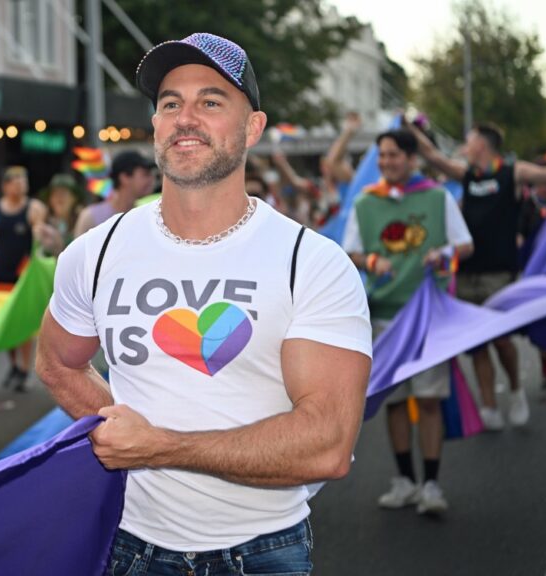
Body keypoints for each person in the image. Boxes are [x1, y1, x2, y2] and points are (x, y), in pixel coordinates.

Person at [36, 32, 372, 574]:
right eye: (171, 103)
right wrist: (119, 431)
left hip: (264, 551)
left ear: (252, 127)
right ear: (156, 126)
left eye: (211, 102)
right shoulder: (94, 253)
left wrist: (158, 446)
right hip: (128, 545)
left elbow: (328, 444)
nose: (185, 117)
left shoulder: (310, 261)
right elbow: (55, 362)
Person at [343, 129, 473, 515]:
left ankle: (431, 485)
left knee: (429, 400)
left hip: (427, 317)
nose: (386, 162)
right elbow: (350, 251)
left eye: (393, 155)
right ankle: (403, 481)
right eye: (382, 155)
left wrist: (443, 253)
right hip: (383, 317)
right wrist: (370, 262)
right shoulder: (366, 202)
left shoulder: (437, 197)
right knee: (395, 402)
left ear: (412, 158)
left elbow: (465, 245)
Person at [407, 121, 546, 429]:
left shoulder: (514, 172)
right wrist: (408, 127)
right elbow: (431, 155)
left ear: (482, 145)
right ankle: (489, 405)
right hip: (467, 271)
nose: (464, 147)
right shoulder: (467, 175)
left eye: (468, 141)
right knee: (477, 344)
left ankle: (515, 389)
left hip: (500, 272)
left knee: (499, 340)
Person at [0, 166, 48, 391]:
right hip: (0, 272)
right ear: (6, 185)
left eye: (23, 181)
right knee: (7, 322)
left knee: (23, 322)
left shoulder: (34, 208)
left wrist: (39, 240)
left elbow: (39, 235)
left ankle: (25, 369)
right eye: (15, 181)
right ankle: (14, 365)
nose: (21, 185)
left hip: (24, 274)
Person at [73, 150, 156, 237]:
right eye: (145, 174)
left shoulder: (146, 216)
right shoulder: (91, 217)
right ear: (125, 177)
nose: (151, 179)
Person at [40, 173, 84, 256]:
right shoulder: (43, 222)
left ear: (74, 198)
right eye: (55, 193)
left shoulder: (83, 221)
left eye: (64, 193)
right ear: (50, 199)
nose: (59, 197)